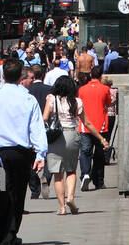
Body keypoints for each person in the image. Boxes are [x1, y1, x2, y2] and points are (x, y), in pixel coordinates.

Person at [0, 55, 47, 245]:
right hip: (20, 155)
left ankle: (0, 232)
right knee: (17, 194)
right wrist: (41, 154)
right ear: (20, 77)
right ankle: (11, 232)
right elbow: (37, 128)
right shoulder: (28, 99)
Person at [43, 75, 107, 216]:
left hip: (55, 137)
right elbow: (87, 123)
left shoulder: (51, 99)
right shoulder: (77, 102)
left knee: (58, 174)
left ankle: (62, 207)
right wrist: (101, 138)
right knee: (71, 170)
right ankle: (70, 197)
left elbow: (44, 118)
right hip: (72, 135)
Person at [77, 65, 113, 191]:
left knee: (85, 152)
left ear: (91, 75)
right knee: (99, 155)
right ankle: (98, 181)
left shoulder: (82, 89)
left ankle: (85, 174)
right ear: (101, 76)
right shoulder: (105, 89)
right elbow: (108, 103)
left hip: (85, 126)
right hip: (101, 126)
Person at [23, 64, 51, 200]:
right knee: (47, 156)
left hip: (30, 129)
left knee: (31, 160)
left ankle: (34, 189)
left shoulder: (27, 90)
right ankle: (46, 177)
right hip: (47, 128)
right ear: (43, 75)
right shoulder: (49, 90)